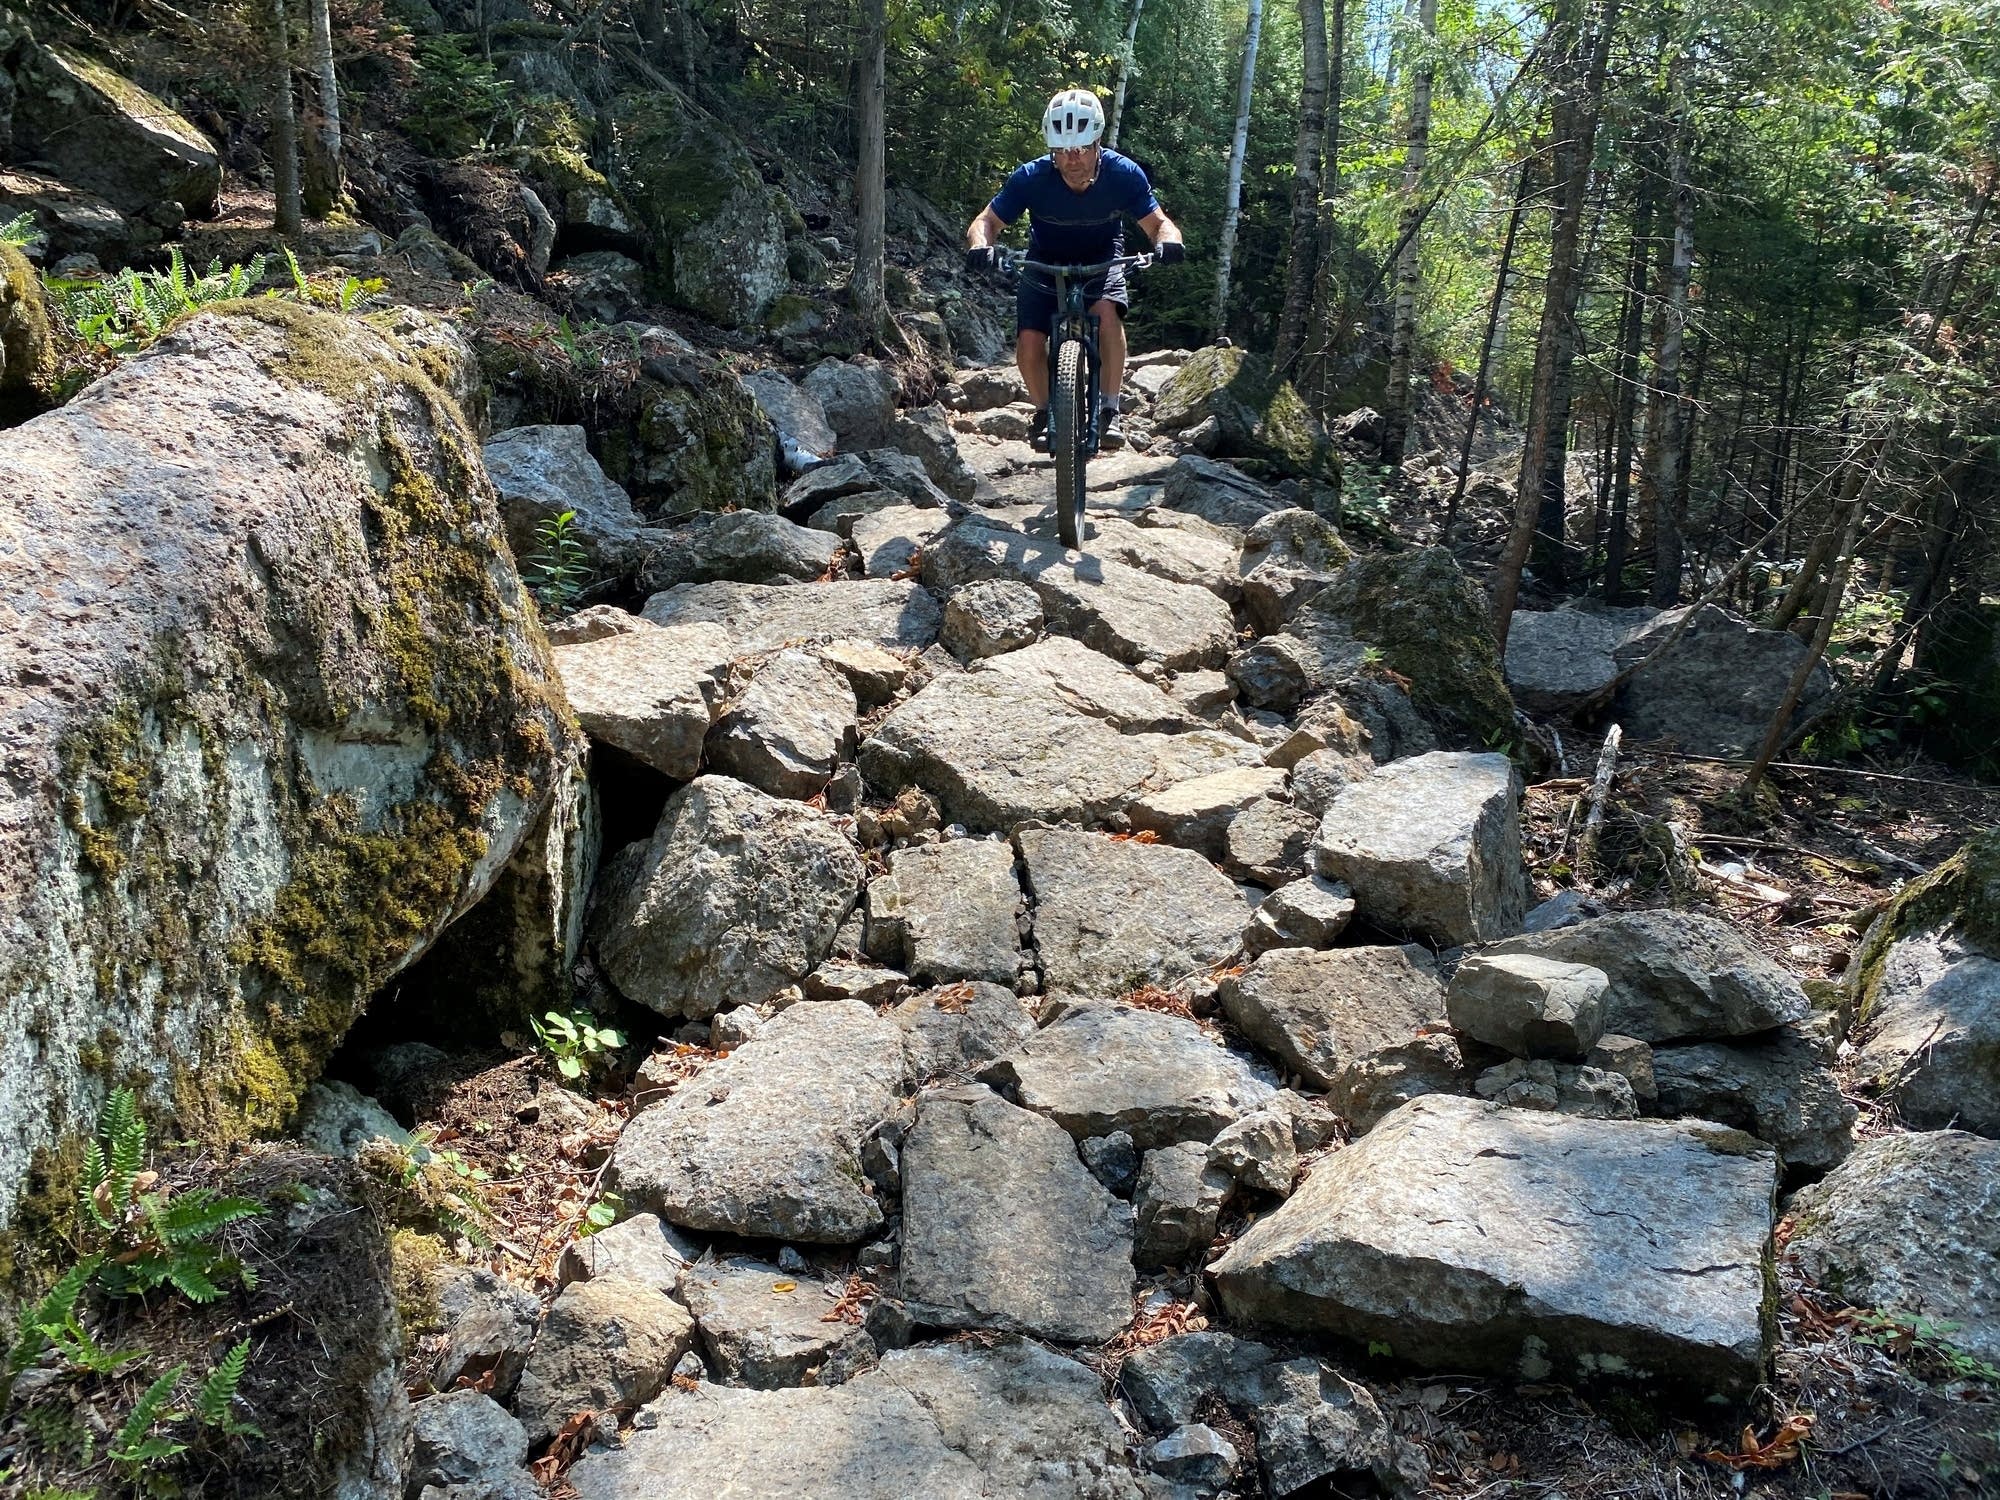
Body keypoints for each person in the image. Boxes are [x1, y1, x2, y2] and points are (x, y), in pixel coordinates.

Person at [964, 88, 1184, 452]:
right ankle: (1042, 411)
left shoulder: (1124, 174)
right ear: (1052, 149)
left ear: (1097, 142)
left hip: (1103, 257)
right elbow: (986, 222)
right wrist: (980, 246)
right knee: (1030, 341)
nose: (1072, 158)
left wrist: (1169, 242)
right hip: (1044, 259)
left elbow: (1159, 223)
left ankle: (1110, 409)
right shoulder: (1030, 178)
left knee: (1107, 315)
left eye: (1081, 147)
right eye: (1063, 150)